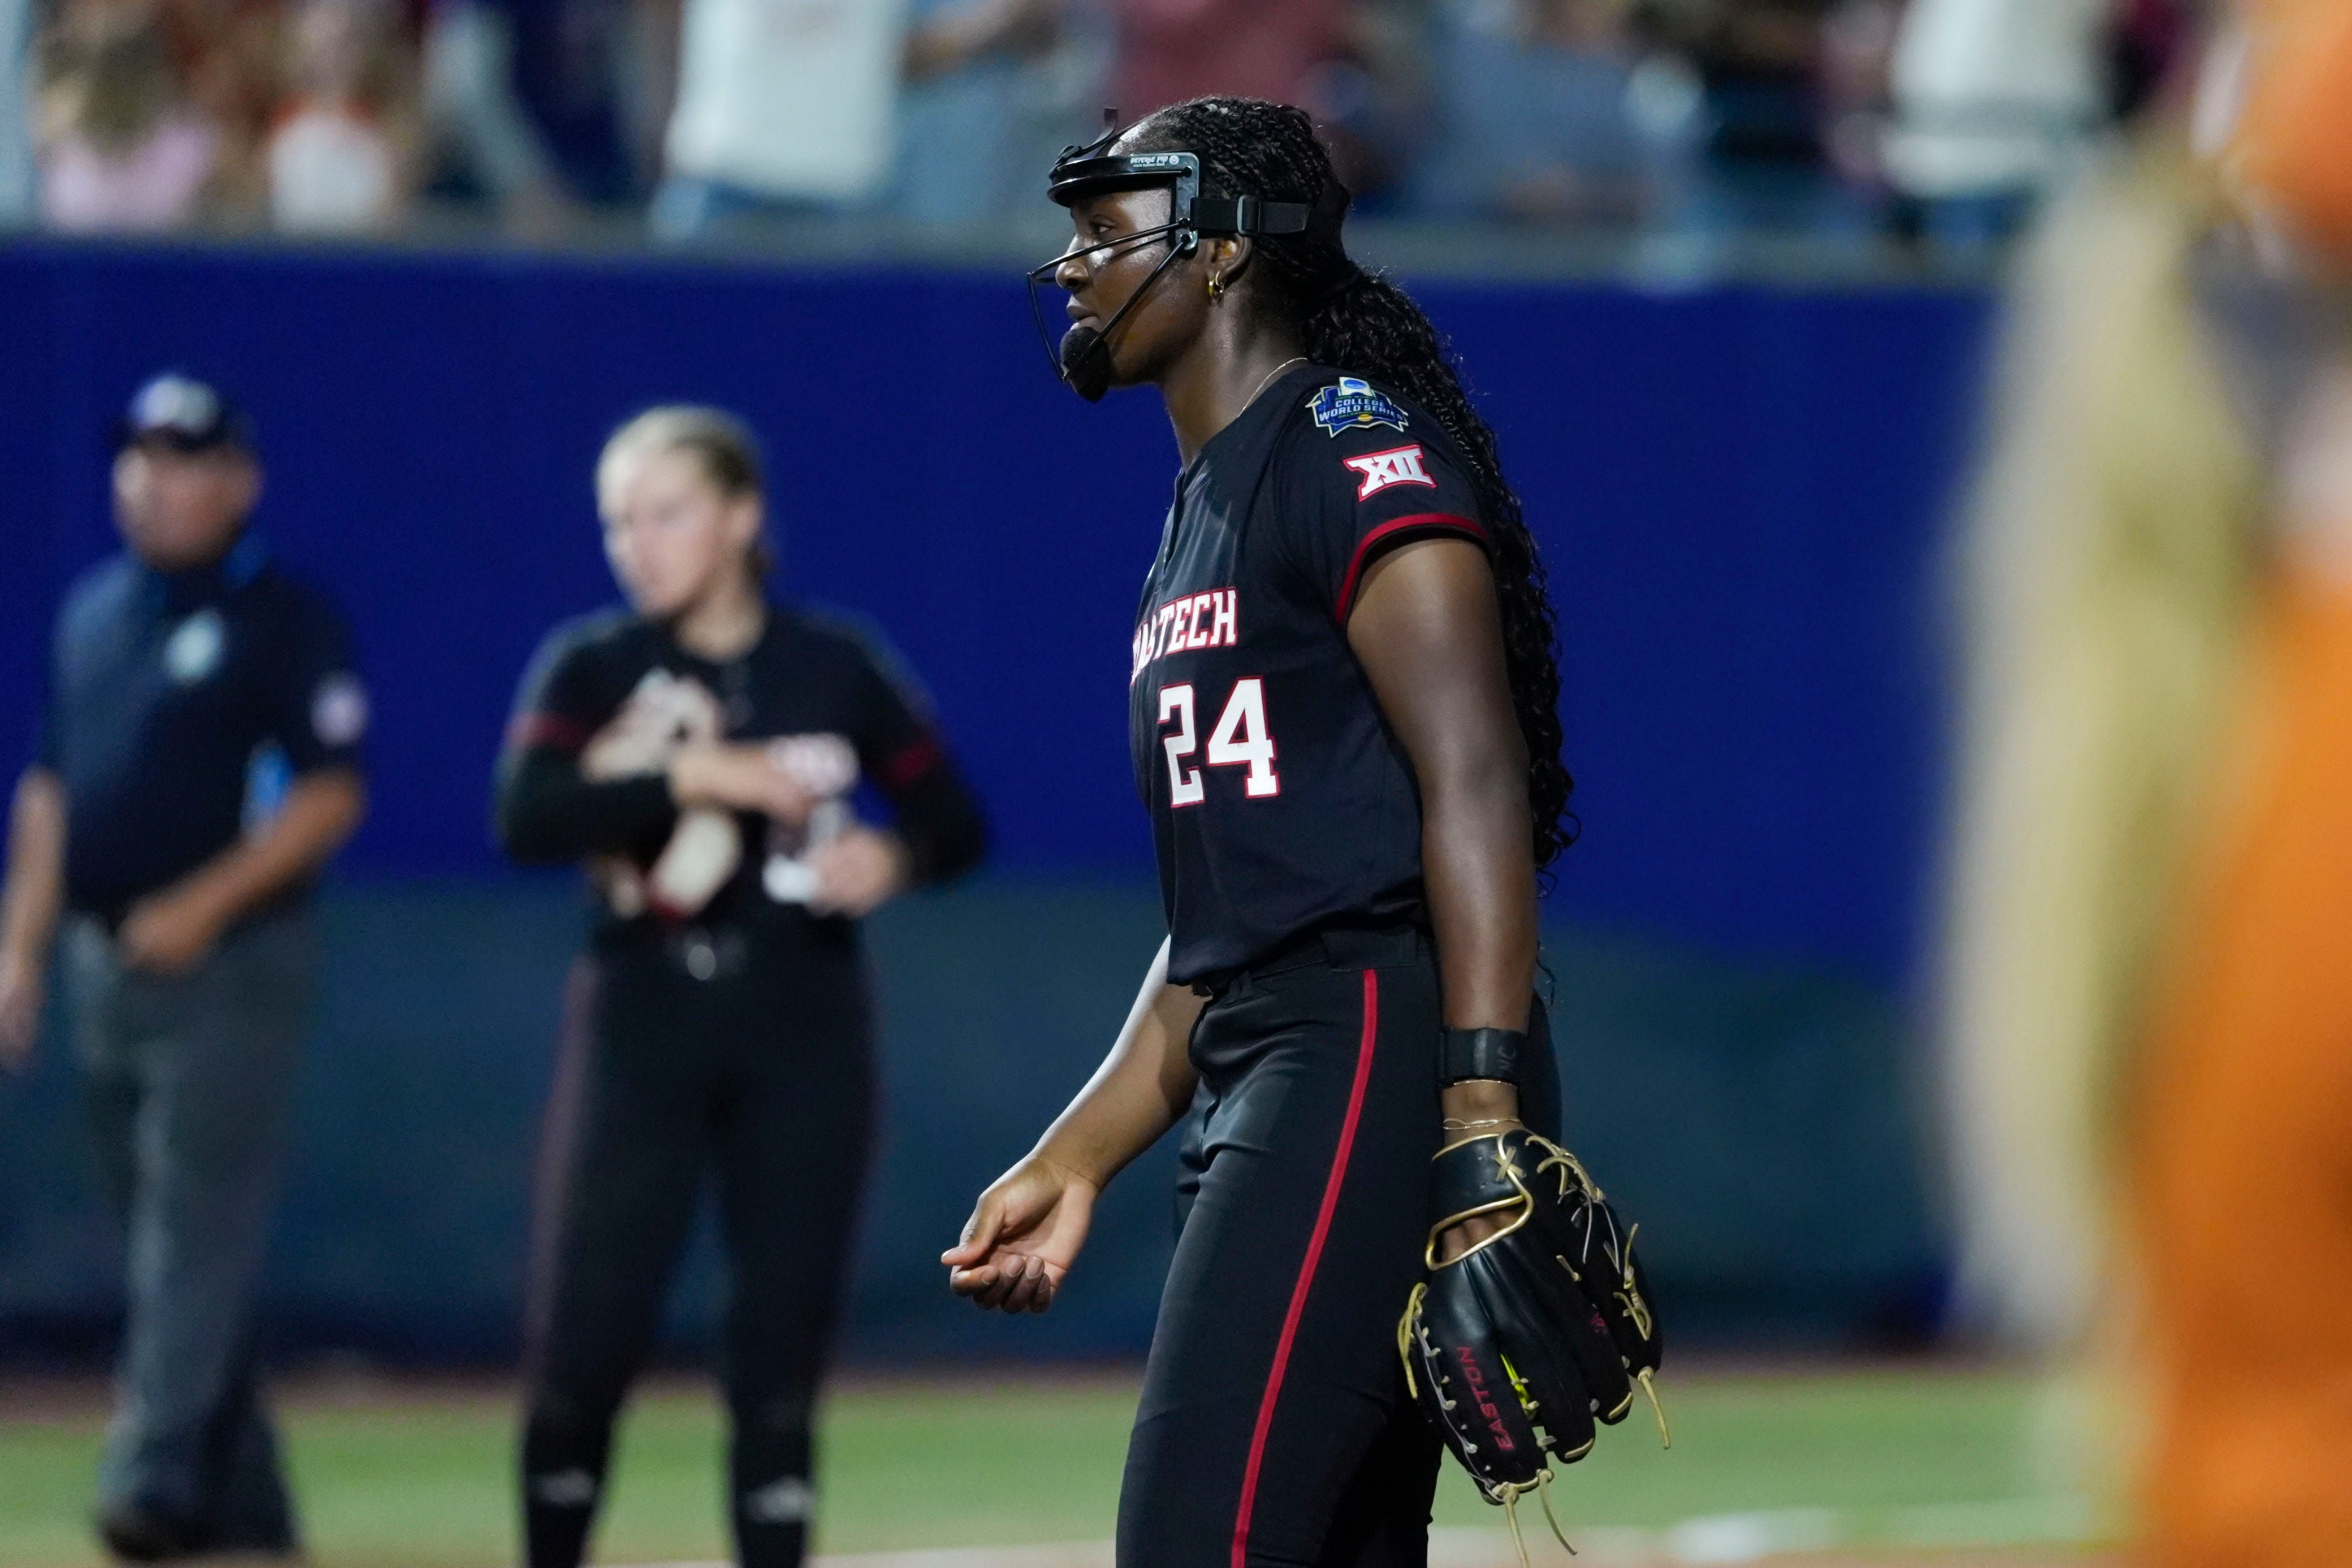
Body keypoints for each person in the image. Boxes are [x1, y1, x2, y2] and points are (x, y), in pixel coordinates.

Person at [942, 97, 1580, 1566]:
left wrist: (1479, 1106)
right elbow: (1236, 901)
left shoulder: (1348, 445)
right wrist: (1076, 1151)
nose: (1074, 264)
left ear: (1222, 252)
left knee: (1196, 1536)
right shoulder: (1199, 508)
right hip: (1278, 1042)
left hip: (1368, 1040)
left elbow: (1472, 781)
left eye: (1107, 230)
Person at [495, 405, 987, 1568]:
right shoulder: (595, 662)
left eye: (663, 512)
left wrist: (895, 856)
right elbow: (524, 814)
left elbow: (955, 822)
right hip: (643, 1017)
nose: (635, 542)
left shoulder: (833, 662)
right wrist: (688, 772)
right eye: (619, 519)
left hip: (800, 1021)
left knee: (778, 1351)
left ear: (740, 516)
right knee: (586, 1339)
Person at [0, 372, 370, 1561]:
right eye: (139, 455)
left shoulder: (282, 618)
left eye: (183, 456)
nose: (153, 478)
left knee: (190, 1228)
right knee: (162, 1229)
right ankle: (244, 1497)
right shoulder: (95, 613)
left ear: (238, 480)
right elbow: (53, 789)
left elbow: (327, 795)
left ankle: (149, 1478)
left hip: (234, 966)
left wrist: (200, 904)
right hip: (105, 960)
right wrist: (20, 946)